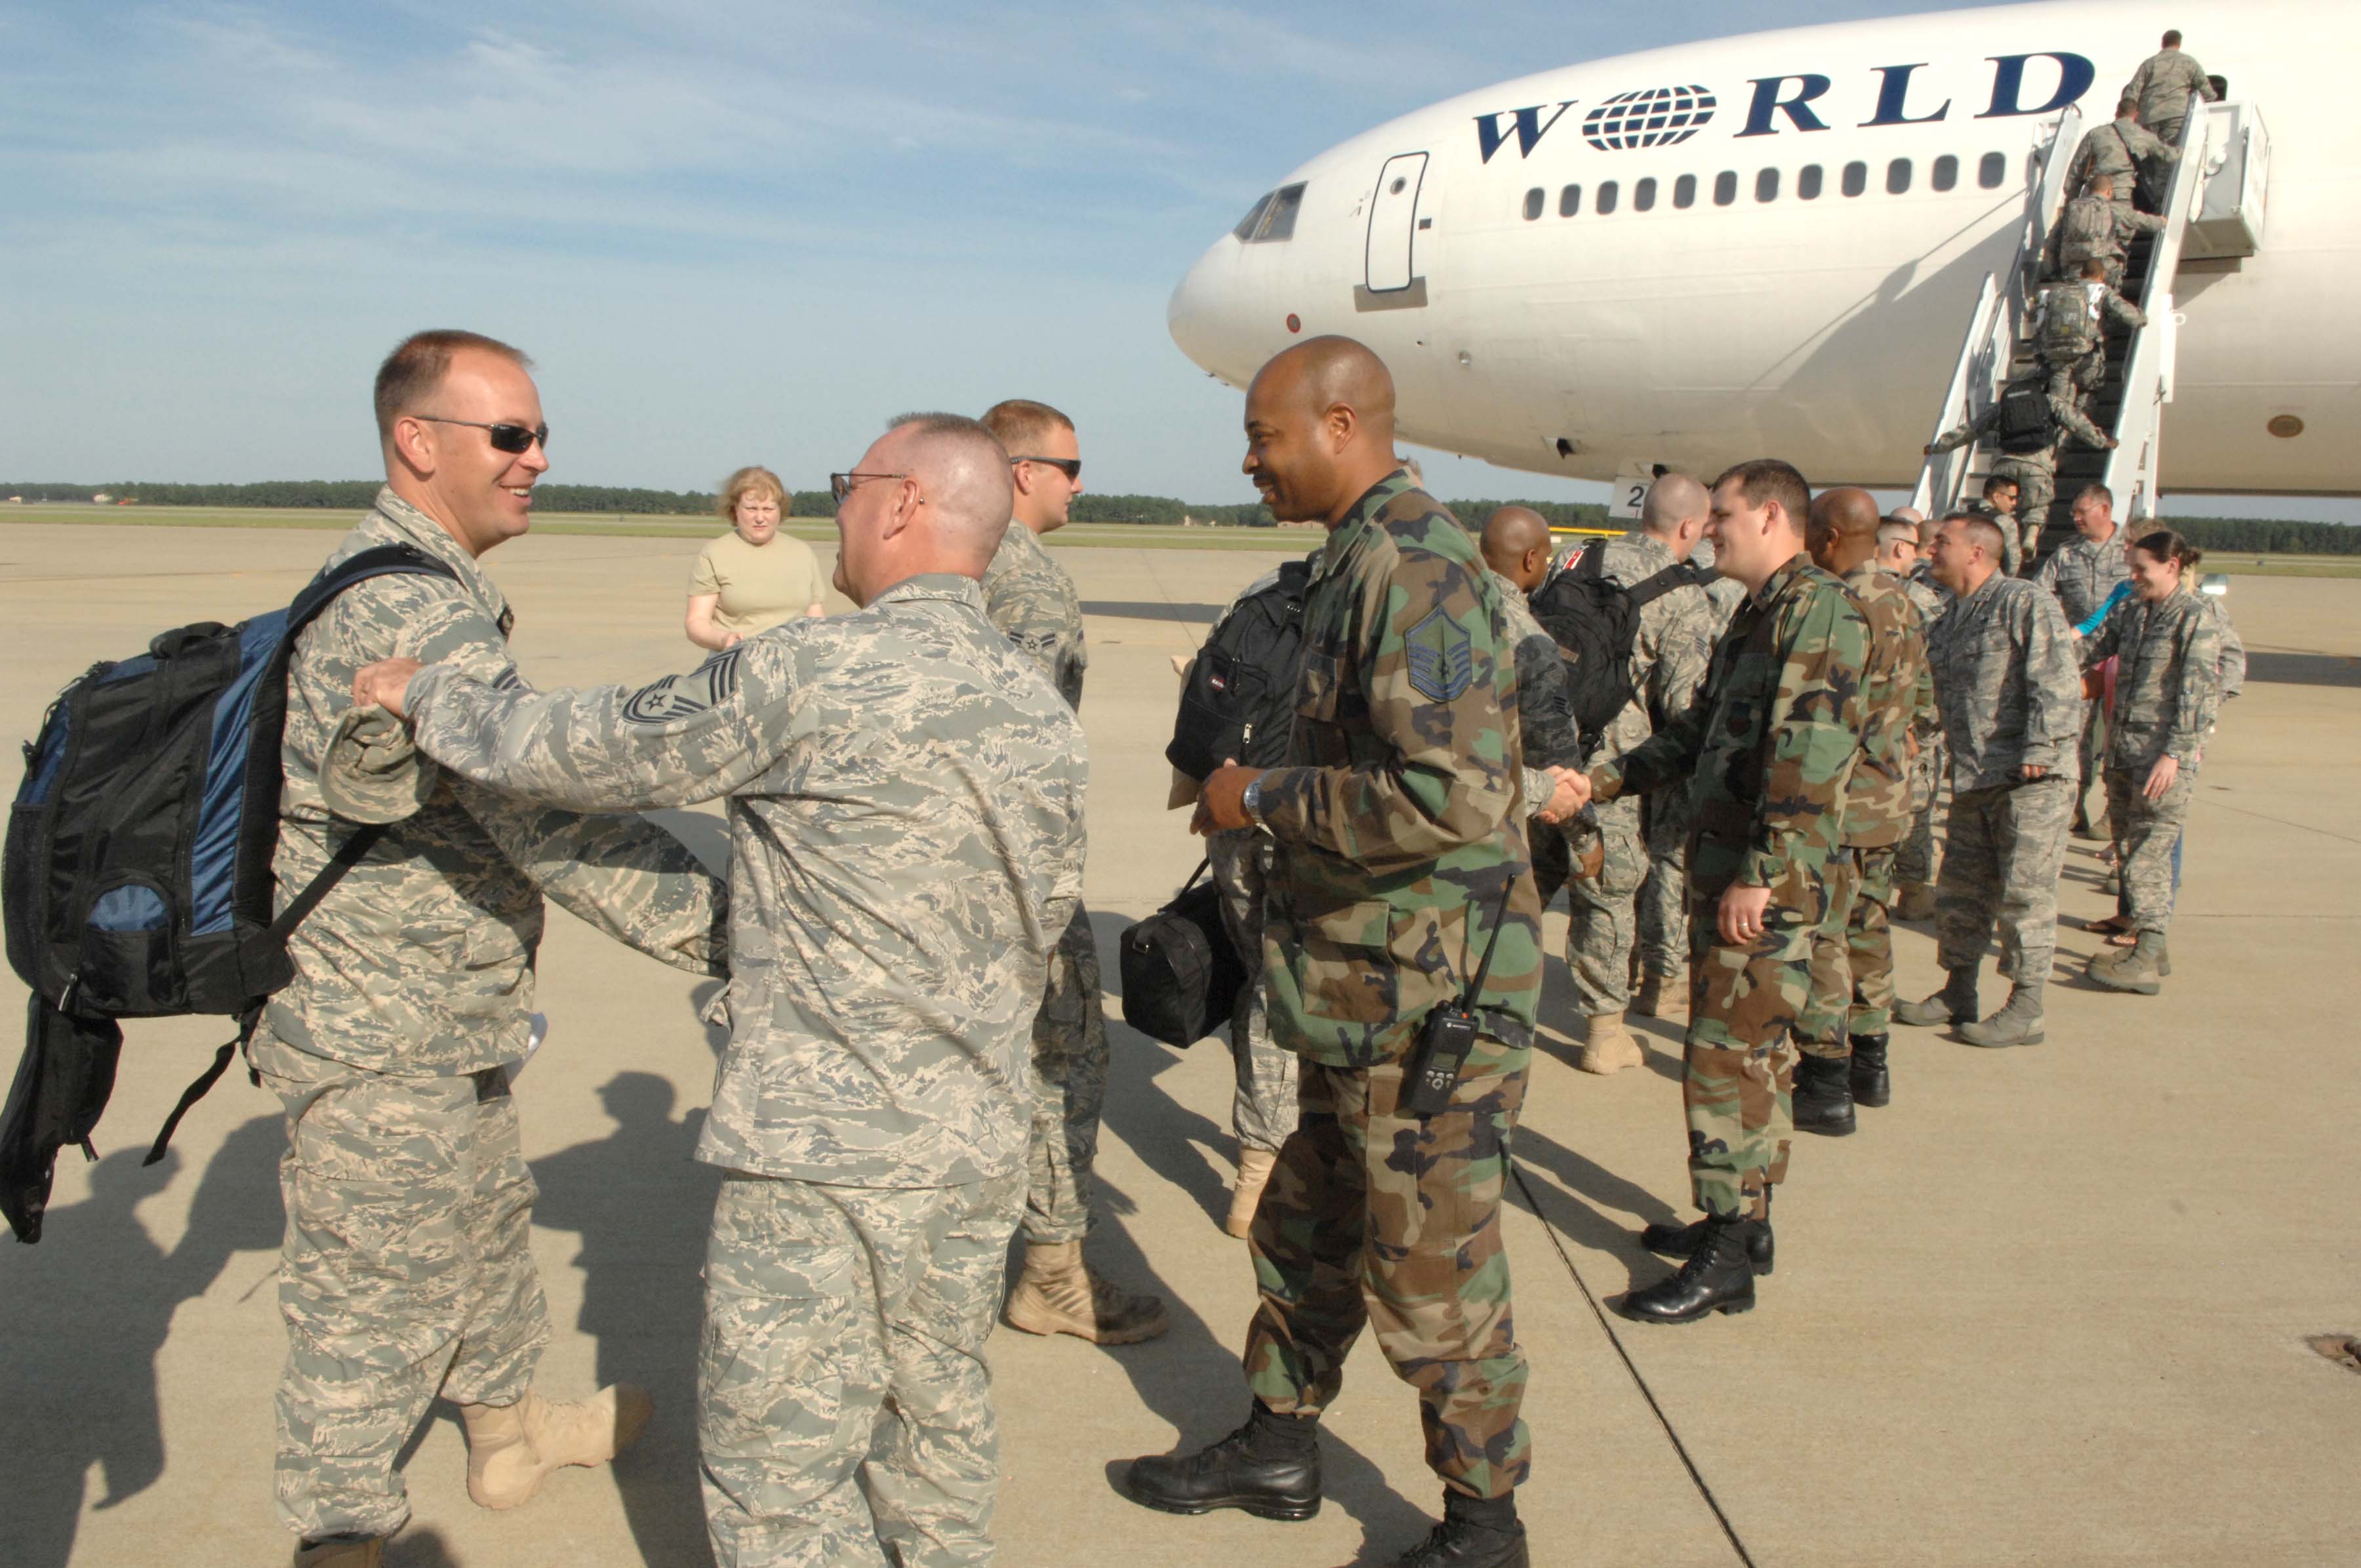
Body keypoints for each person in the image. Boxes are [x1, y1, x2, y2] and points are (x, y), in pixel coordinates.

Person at [355, 411, 1088, 1568]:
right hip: (973, 1146)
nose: (830, 507)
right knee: (935, 1434)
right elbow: (1042, 920)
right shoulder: (1040, 710)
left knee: (779, 1470)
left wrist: (431, 696)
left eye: (850, 484)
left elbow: (581, 749)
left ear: (902, 504)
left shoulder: (812, 668)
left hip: (822, 1152)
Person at [264, 331, 731, 1568]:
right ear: (419, 444)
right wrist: (741, 932)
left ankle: (512, 1435)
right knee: (373, 1295)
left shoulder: (424, 585)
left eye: (539, 434)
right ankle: (344, 1530)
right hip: (378, 1034)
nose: (537, 458)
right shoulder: (407, 605)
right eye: (511, 436)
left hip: (443, 1010)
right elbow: (546, 817)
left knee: (480, 1225)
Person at [1122, 336, 1568, 1568]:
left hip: (1430, 1007)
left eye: (1264, 437)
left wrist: (1257, 797)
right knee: (1306, 1229)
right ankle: (1277, 1441)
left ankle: (1484, 1527)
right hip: (1350, 992)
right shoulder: (1354, 564)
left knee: (1433, 1276)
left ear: (1337, 425)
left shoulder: (1415, 573)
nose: (1250, 461)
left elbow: (1452, 799)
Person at [1567, 459, 1869, 1323]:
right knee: (1757, 1058)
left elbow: (1809, 756)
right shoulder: (1760, 613)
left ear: (1771, 515)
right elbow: (1703, 732)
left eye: (1725, 514)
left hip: (1760, 882)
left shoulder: (1817, 612)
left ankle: (1727, 1251)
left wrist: (1760, 873)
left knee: (1723, 1058)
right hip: (1740, 869)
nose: (1712, 528)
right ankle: (1744, 1220)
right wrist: (1607, 779)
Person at [976, 397, 1168, 1344]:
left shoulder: (950, 562)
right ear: (1021, 472)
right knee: (1068, 1061)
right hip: (1023, 883)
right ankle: (1052, 1272)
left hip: (956, 882)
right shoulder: (1029, 586)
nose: (1080, 483)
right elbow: (1023, 756)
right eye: (1068, 465)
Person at [1893, 514, 2081, 1048]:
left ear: (1977, 552)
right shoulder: (1953, 618)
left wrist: (2043, 749)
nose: (1931, 549)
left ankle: (2027, 1006)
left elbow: (2057, 680)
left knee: (2025, 894)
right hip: (1975, 778)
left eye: (1943, 543)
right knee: (1962, 892)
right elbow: (1936, 695)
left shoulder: (2023, 601)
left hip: (2030, 779)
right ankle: (1959, 990)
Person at [1549, 475, 1714, 1066]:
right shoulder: (1686, 596)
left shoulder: (1574, 558)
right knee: (1606, 891)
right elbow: (1683, 705)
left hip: (1539, 750)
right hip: (1608, 770)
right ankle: (1604, 1032)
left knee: (1524, 880)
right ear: (1690, 528)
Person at [1792, 489, 1931, 1131]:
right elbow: (1924, 703)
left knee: (1825, 933)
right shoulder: (1904, 598)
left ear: (1827, 536)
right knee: (1870, 927)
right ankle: (1872, 1059)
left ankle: (1826, 1076)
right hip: (1890, 797)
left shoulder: (1837, 604)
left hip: (1844, 801)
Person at [2082, 530, 2222, 994]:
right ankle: (2150, 946)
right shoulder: (2134, 612)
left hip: (2161, 759)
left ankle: (2147, 949)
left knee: (2149, 853)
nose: (2134, 576)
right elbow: (2092, 646)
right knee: (2129, 848)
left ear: (2172, 566)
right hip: (2124, 752)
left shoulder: (2195, 618)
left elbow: (2198, 694)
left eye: (2142, 568)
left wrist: (2174, 755)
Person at [1480, 506, 1596, 912]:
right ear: (1531, 560)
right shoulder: (1530, 639)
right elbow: (1555, 753)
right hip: (1504, 834)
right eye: (1545, 557)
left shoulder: (1449, 607)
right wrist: (1585, 838)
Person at [1925, 381, 2116, 563]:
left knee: (1999, 510)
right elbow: (2076, 422)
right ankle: (2030, 538)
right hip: (2036, 464)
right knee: (2038, 504)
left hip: (2004, 463)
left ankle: (1999, 547)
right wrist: (2101, 441)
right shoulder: (2049, 401)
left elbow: (1972, 429)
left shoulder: (2003, 407)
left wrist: (1938, 447)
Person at [2034, 483, 2132, 835]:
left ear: (2105, 511)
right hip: (2080, 659)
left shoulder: (2131, 550)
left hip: (2127, 659)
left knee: (2121, 740)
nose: (2075, 518)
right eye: (2074, 512)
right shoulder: (2066, 554)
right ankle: (2074, 807)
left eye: (2082, 511)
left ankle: (2115, 813)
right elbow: (2041, 596)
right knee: (2075, 737)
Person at [685, 465, 826, 651]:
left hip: (796, 663)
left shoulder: (803, 553)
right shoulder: (713, 554)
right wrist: (723, 640)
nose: (760, 518)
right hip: (737, 661)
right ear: (735, 509)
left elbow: (815, 617)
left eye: (768, 509)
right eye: (751, 508)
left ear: (780, 510)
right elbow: (696, 622)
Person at [1885, 517, 1949, 921]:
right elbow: (1929, 666)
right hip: (1915, 722)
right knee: (1918, 802)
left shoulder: (1857, 589)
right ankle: (1912, 889)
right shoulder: (1922, 599)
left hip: (1884, 718)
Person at [2034, 260, 2148, 408]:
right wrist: (2142, 319)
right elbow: (2129, 315)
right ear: (2102, 275)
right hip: (2086, 357)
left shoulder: (2057, 292)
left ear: (2081, 274)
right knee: (2087, 394)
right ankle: (2081, 424)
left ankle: (2060, 429)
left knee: (2058, 406)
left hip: (2057, 357)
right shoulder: (2100, 291)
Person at [2123, 30, 2220, 200]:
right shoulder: (2188, 62)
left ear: (2163, 43)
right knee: (2166, 161)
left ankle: (2146, 198)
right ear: (2179, 44)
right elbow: (2208, 93)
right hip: (2175, 117)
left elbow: (2132, 91)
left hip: (2148, 118)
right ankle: (2161, 203)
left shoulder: (2149, 64)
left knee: (2148, 160)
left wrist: (2129, 117)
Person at [2048, 174, 2163, 292]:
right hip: (2102, 268)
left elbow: (2053, 240)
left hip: (2073, 270)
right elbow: (2138, 220)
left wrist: (2054, 268)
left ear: (2089, 191)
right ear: (2109, 191)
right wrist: (2161, 222)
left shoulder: (2072, 208)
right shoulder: (2111, 208)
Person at [2067, 97, 2177, 218]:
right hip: (2122, 195)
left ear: (2117, 112)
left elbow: (2076, 170)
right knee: (2121, 231)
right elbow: (2169, 155)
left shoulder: (2095, 134)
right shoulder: (2143, 135)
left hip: (2096, 193)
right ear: (2136, 115)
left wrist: (2071, 198)